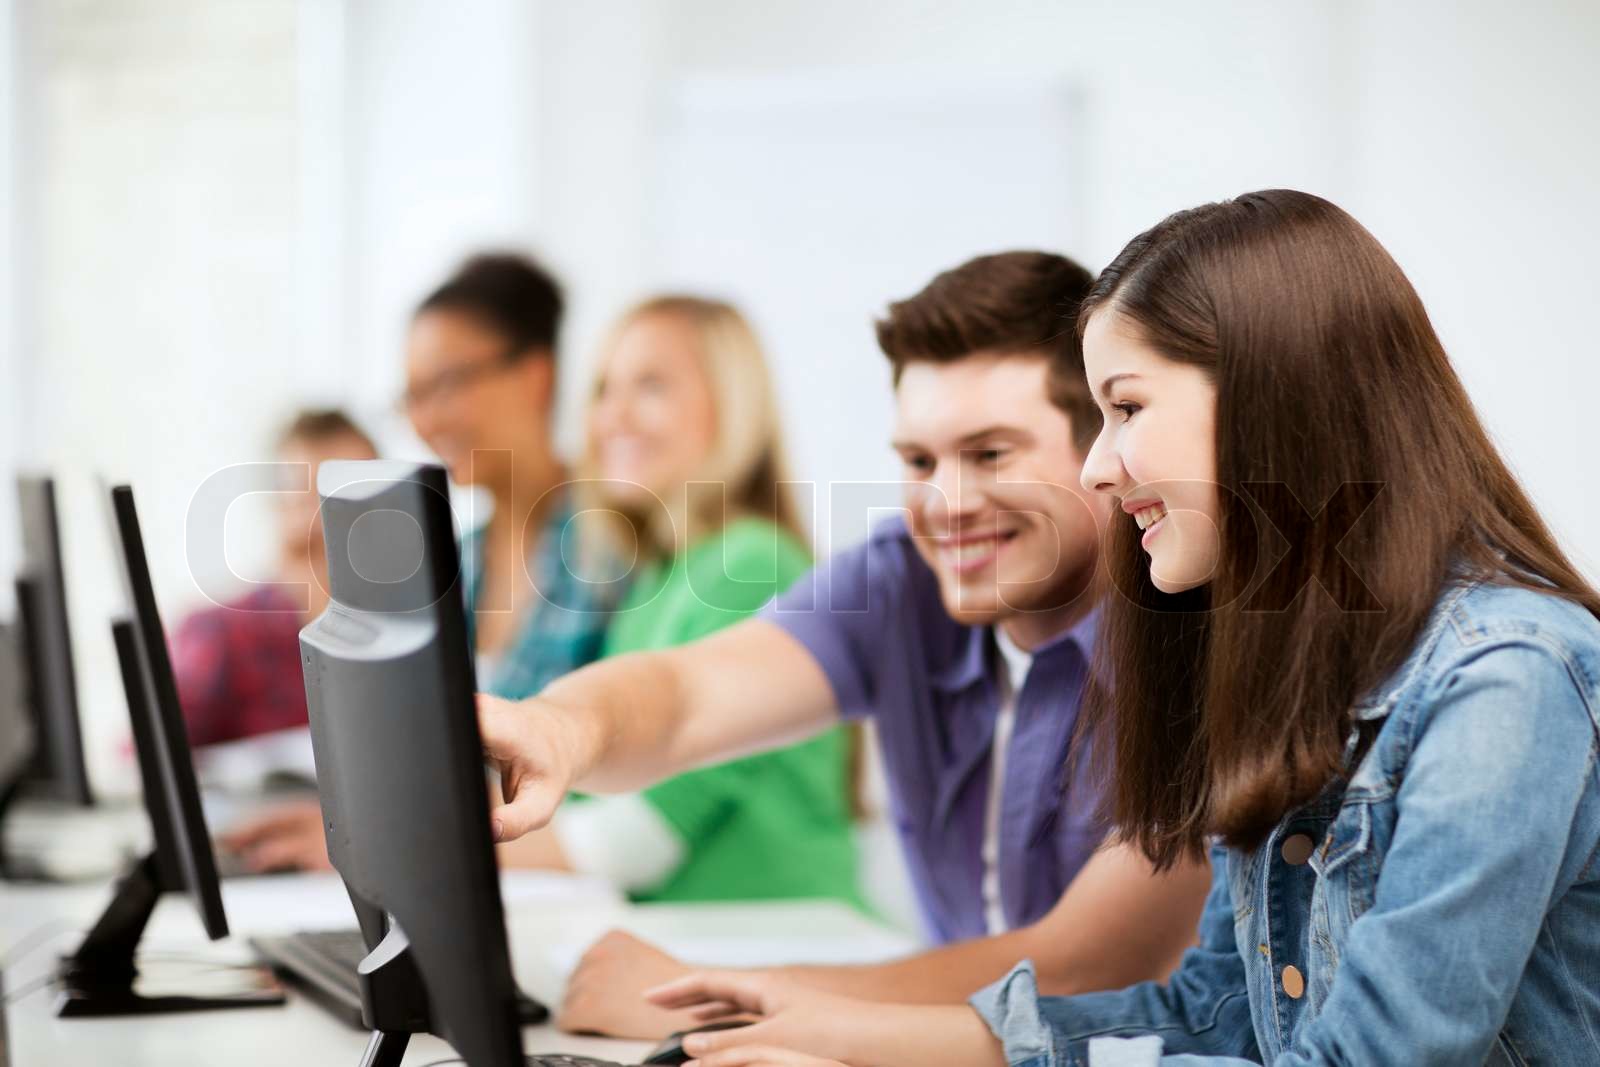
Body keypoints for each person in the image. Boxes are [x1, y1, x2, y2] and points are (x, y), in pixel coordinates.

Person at [642, 189, 1600, 1067]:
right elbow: (1215, 1011)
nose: (1098, 469)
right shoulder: (1285, 673)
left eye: (1126, 408)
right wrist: (838, 1032)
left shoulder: (1505, 677)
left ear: (1275, 402)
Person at [483, 252, 1212, 1040]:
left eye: (991, 454)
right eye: (919, 460)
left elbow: (1081, 968)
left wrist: (729, 998)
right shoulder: (902, 576)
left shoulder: (1198, 645)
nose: (948, 503)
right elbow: (689, 694)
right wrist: (562, 726)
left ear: (1100, 449)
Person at [224, 252, 618, 872]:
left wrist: (400, 841)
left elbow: (624, 801)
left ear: (535, 377)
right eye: (412, 397)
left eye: (447, 384)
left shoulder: (616, 546)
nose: (426, 420)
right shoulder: (454, 561)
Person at [492, 295, 859, 909]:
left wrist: (416, 850)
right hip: (697, 945)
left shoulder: (753, 565)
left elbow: (638, 840)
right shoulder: (656, 577)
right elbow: (588, 798)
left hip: (791, 943)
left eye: (651, 386)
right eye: (604, 390)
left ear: (730, 405)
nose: (613, 417)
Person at [172, 408, 378, 749]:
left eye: (357, 494)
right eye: (309, 497)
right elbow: (149, 761)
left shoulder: (409, 627)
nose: (331, 518)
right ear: (279, 507)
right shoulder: (217, 633)